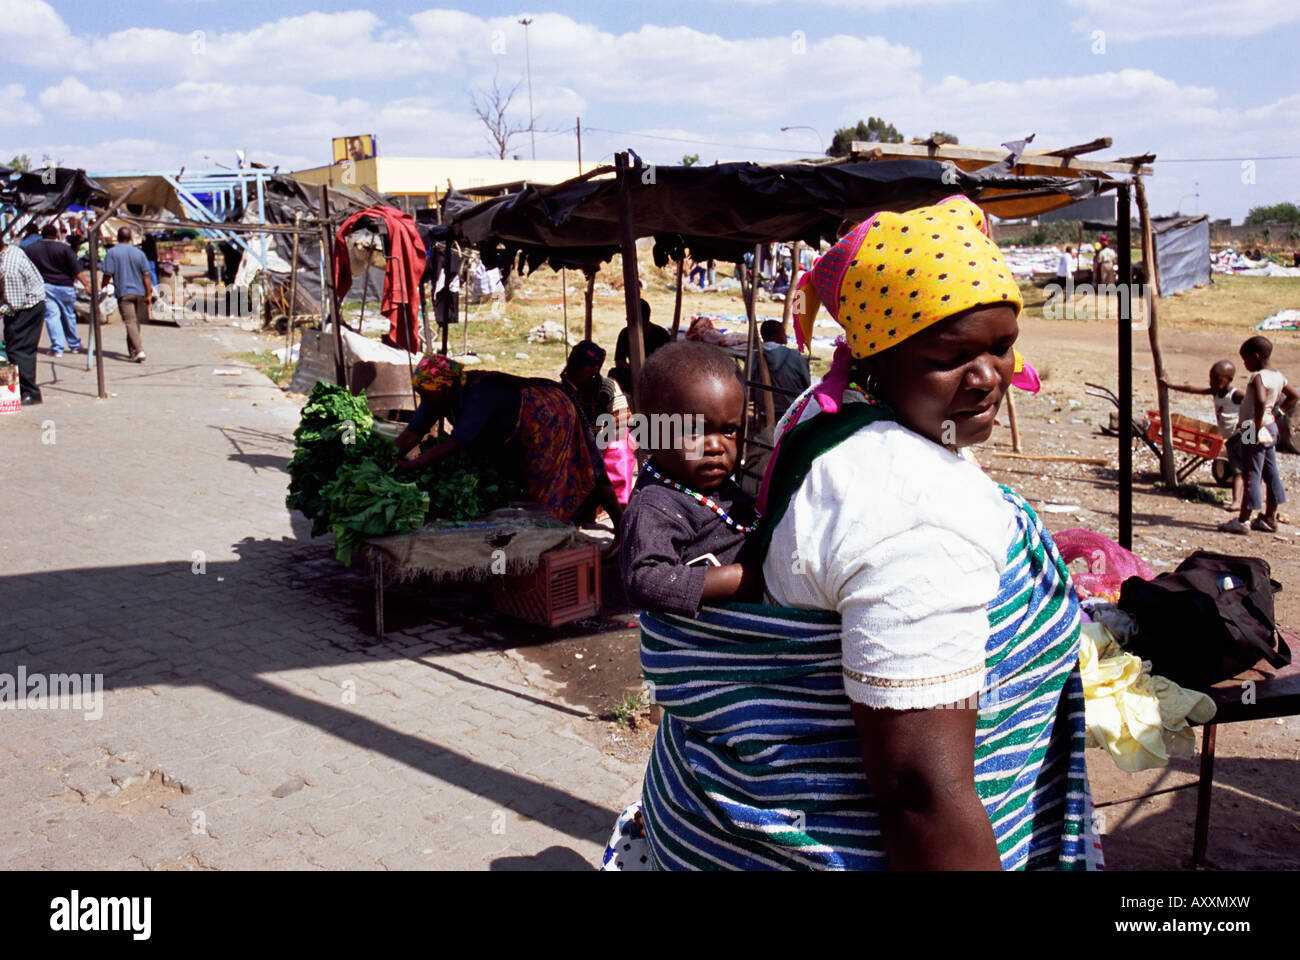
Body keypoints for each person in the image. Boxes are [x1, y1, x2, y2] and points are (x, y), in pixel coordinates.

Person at [609, 196, 1099, 870]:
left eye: (1002, 346)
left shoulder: (830, 411)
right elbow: (921, 791)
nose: (989, 377)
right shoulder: (912, 504)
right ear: (880, 356)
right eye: (949, 355)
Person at [394, 353, 623, 529]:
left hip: (548, 413)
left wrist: (410, 466)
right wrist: (388, 457)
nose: (422, 397)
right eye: (419, 392)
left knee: (571, 470)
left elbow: (457, 442)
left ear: (445, 388)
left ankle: (612, 525)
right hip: (511, 427)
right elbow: (412, 434)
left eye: (425, 392)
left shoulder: (480, 394)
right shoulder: (434, 398)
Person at [619, 341, 762, 617]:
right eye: (694, 431)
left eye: (729, 430)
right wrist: (738, 578)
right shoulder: (656, 504)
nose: (715, 446)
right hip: (704, 647)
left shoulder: (718, 487)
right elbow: (644, 581)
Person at [1220, 336, 1299, 534]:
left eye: (1246, 360)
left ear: (1256, 357)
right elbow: (1294, 396)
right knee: (1270, 472)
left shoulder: (1258, 377)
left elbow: (1261, 400)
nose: (1245, 364)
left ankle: (1243, 520)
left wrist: (1255, 424)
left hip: (1251, 429)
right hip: (1270, 427)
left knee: (1250, 473)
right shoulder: (1278, 376)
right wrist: (1277, 413)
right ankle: (1269, 518)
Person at [1161, 361, 1246, 512]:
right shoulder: (1215, 392)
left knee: (1250, 470)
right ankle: (1237, 502)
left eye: (1217, 379)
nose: (1212, 382)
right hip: (1231, 439)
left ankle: (1247, 502)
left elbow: (1255, 405)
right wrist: (1171, 385)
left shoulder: (1236, 395)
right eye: (1211, 378)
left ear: (1229, 379)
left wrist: (1251, 434)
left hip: (1244, 435)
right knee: (1238, 471)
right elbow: (1192, 389)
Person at [561, 339, 636, 505]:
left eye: (579, 367)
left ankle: (618, 502)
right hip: (580, 441)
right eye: (571, 365)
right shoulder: (567, 387)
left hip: (607, 440)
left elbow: (621, 425)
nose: (573, 370)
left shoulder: (607, 387)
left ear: (594, 370)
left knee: (619, 450)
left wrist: (595, 444)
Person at [25, 223, 92, 357]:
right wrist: (86, 285)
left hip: (44, 286)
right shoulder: (65, 249)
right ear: (56, 234)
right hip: (65, 286)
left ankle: (57, 348)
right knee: (69, 315)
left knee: (52, 316)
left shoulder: (31, 249)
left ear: (41, 234)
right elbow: (76, 270)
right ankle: (74, 344)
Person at [0, 236, 48, 405]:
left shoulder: (8, 268)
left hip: (27, 308)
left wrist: (0, 310)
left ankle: (30, 392)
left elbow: (15, 303)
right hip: (27, 304)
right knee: (16, 348)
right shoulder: (10, 251)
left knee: (18, 350)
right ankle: (20, 389)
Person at [100, 227, 153, 362]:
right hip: (140, 292)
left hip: (124, 293)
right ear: (130, 238)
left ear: (118, 237)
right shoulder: (139, 253)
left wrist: (103, 285)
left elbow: (108, 273)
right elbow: (146, 275)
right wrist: (148, 294)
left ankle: (139, 350)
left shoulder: (112, 253)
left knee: (130, 322)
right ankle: (133, 352)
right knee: (135, 323)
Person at [611, 298, 671, 394]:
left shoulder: (661, 334)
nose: (626, 319)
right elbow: (619, 361)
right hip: (632, 374)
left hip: (655, 376)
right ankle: (622, 406)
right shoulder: (625, 333)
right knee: (614, 375)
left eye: (628, 316)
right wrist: (634, 369)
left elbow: (669, 363)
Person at [758, 320, 809, 421]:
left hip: (763, 405)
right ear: (774, 336)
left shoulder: (756, 356)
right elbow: (806, 384)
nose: (786, 335)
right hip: (792, 406)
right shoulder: (795, 356)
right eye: (783, 332)